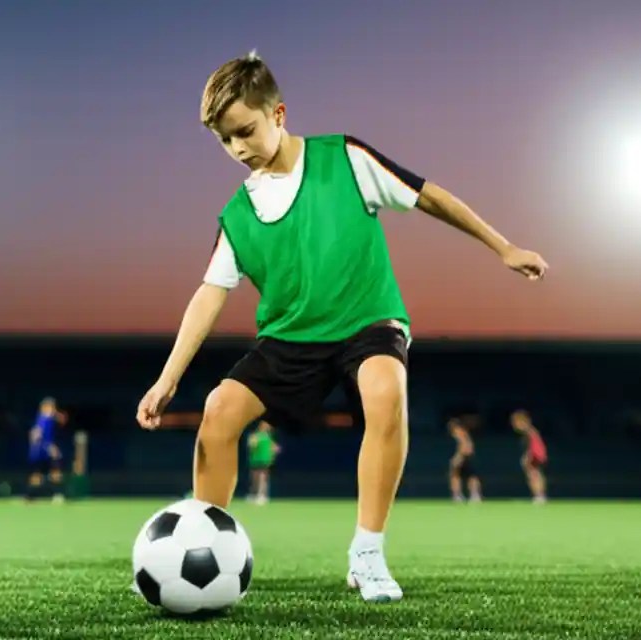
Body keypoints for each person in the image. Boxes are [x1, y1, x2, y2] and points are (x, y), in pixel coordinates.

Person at [134, 52, 548, 603]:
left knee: (386, 388)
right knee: (217, 412)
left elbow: (431, 197)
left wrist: (504, 247)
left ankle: (368, 552)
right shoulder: (237, 215)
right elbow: (208, 296)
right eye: (225, 140)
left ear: (278, 113)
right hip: (289, 338)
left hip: (366, 320)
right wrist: (167, 380)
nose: (237, 148)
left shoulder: (344, 158)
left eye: (245, 131)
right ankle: (209, 543)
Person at [26, 397, 65, 503]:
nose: (52, 408)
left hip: (41, 450)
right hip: (43, 450)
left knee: (51, 472)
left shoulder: (44, 418)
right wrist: (49, 447)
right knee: (42, 473)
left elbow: (62, 419)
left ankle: (31, 496)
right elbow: (39, 436)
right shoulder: (43, 419)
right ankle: (32, 495)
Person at [511, 410, 549, 504]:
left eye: (516, 423)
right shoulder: (530, 431)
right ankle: (540, 495)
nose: (515, 426)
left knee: (533, 475)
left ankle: (539, 495)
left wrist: (528, 457)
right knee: (535, 474)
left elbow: (533, 445)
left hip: (535, 454)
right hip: (537, 454)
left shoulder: (530, 432)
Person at [246, 420, 280, 505]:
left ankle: (262, 496)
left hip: (264, 460)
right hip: (255, 460)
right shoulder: (256, 436)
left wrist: (271, 455)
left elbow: (275, 448)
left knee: (262, 478)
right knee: (255, 478)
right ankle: (254, 495)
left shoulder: (268, 437)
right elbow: (251, 445)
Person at [448, 419, 482, 503]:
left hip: (464, 457)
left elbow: (466, 446)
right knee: (468, 476)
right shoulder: (464, 434)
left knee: (458, 476)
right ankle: (471, 495)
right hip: (466, 457)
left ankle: (460, 495)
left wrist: (458, 457)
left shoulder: (461, 434)